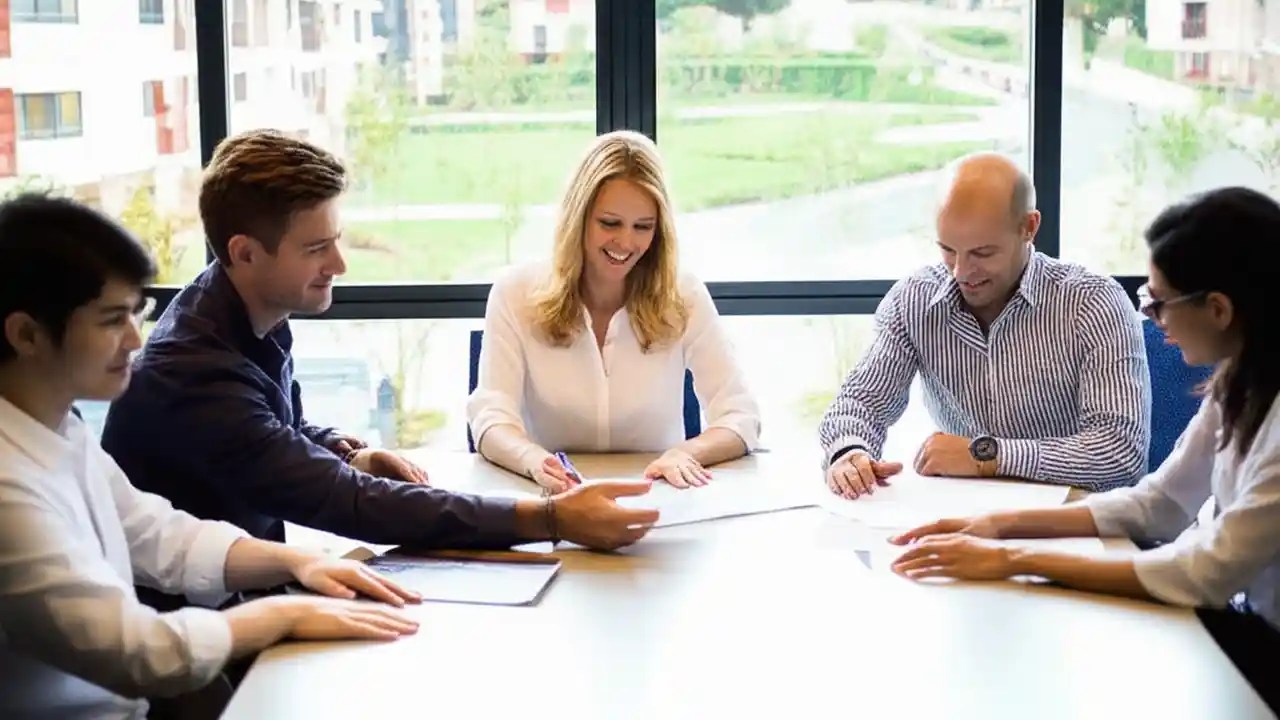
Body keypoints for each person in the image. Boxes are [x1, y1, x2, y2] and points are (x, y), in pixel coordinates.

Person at [100, 129, 659, 565]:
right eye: (317, 248)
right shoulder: (195, 373)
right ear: (245, 252)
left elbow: (275, 430)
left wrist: (350, 454)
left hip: (248, 590)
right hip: (193, 638)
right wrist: (550, 519)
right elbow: (350, 503)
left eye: (337, 240)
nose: (339, 265)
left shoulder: (239, 307)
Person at [0, 194, 422, 719]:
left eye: (137, 314)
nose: (135, 340)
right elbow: (136, 652)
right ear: (26, 334)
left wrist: (299, 562)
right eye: (112, 321)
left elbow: (155, 532)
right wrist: (284, 614)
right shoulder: (8, 484)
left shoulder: (59, 425)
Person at [887, 187, 1280, 712]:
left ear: (1218, 309)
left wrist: (1007, 559)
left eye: (1158, 304)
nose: (1154, 323)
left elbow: (1203, 571)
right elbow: (1159, 504)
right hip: (1239, 619)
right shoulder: (1242, 379)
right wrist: (1001, 524)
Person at [818, 153, 1149, 499]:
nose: (961, 272)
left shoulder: (1093, 302)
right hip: (962, 519)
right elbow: (858, 405)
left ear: (1029, 228)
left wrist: (984, 455)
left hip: (1073, 524)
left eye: (982, 253)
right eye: (948, 250)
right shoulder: (914, 301)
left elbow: (1120, 455)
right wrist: (849, 453)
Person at [466, 130, 760, 493]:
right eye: (610, 223)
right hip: (553, 499)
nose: (625, 242)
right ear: (579, 218)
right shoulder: (515, 293)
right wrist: (533, 461)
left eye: (643, 227)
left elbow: (741, 415)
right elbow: (489, 417)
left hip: (660, 497)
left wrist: (687, 453)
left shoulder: (684, 296)